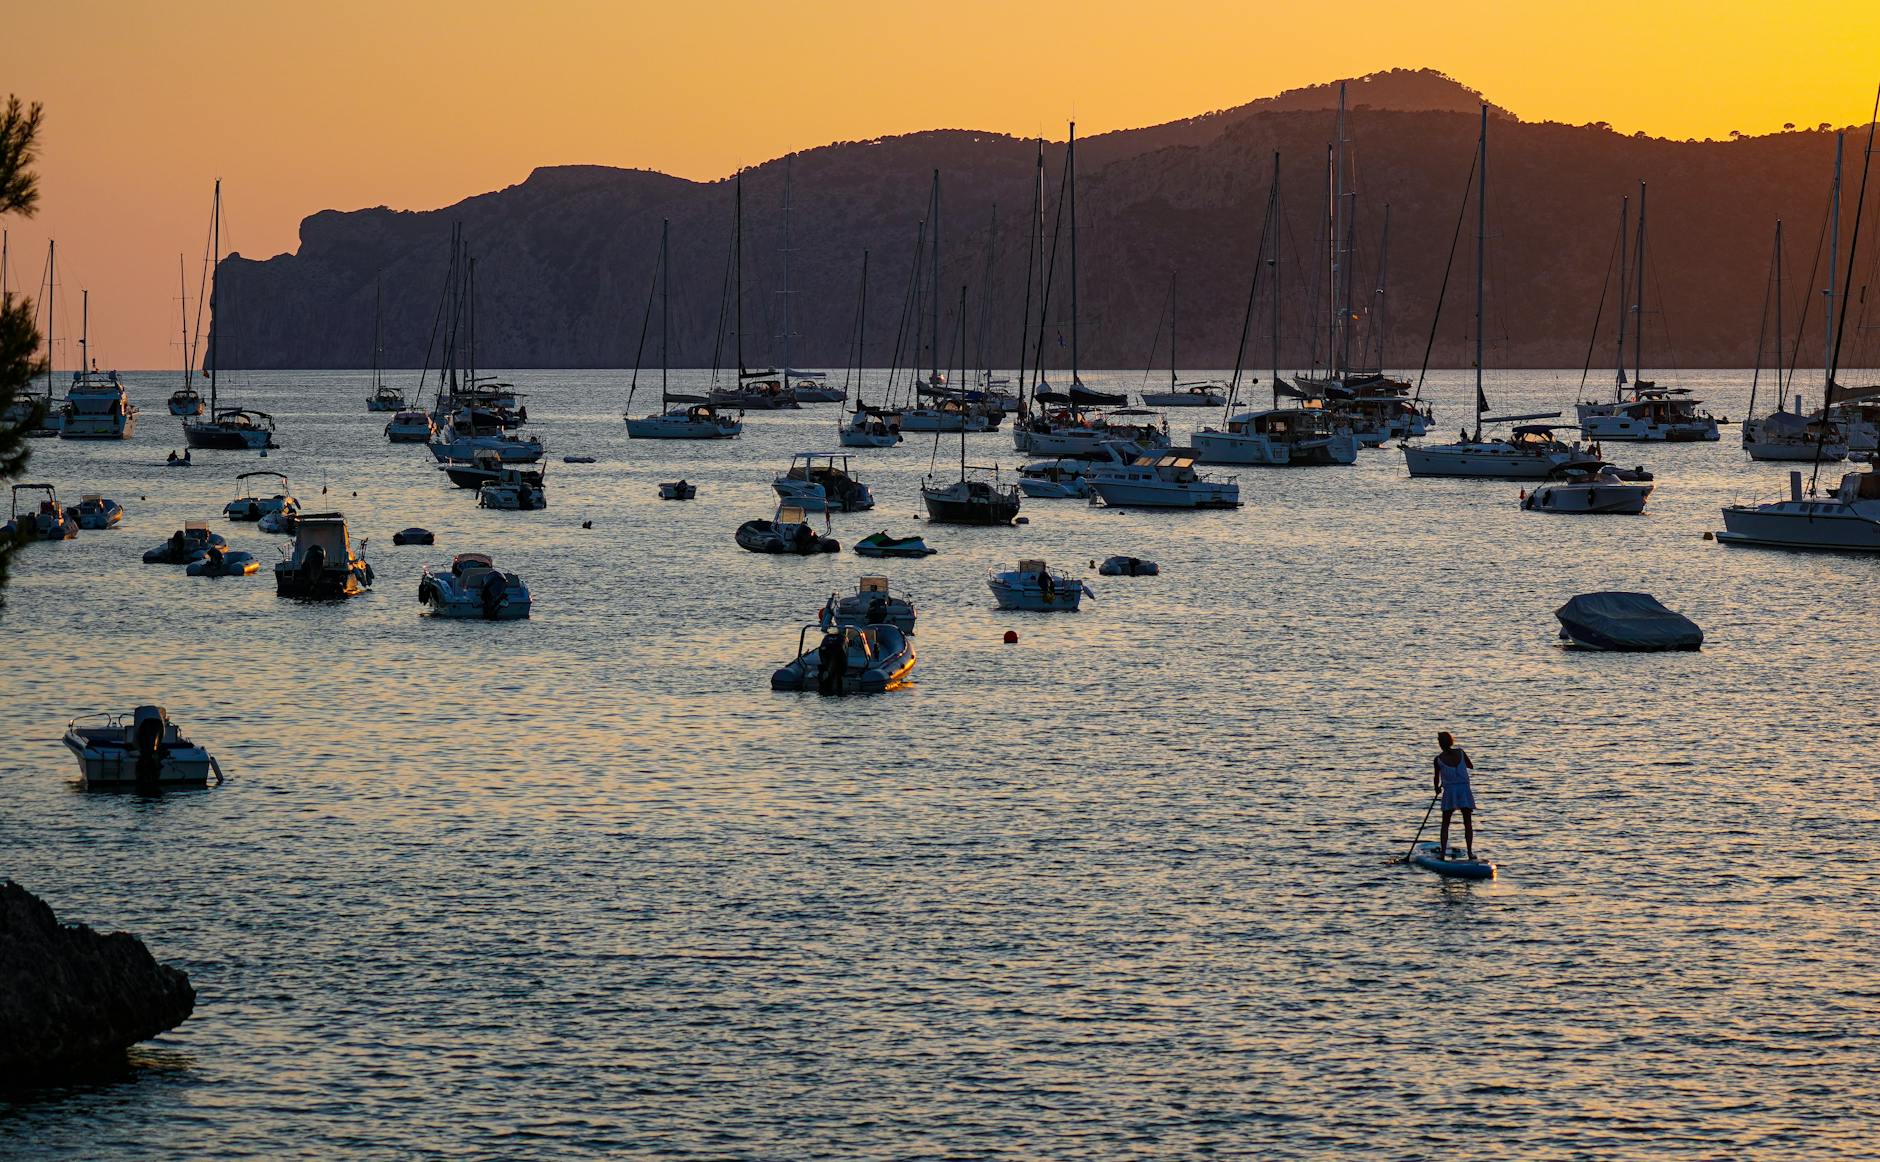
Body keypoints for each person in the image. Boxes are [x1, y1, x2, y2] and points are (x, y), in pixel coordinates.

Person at [1433, 731, 1477, 859]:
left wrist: (1437, 788)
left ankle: (1442, 854)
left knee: (1445, 823)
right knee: (1467, 822)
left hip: (1451, 792)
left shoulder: (1438, 759)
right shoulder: (1461, 753)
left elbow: (1436, 778)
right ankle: (1469, 853)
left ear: (1440, 744)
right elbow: (1470, 766)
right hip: (1464, 790)